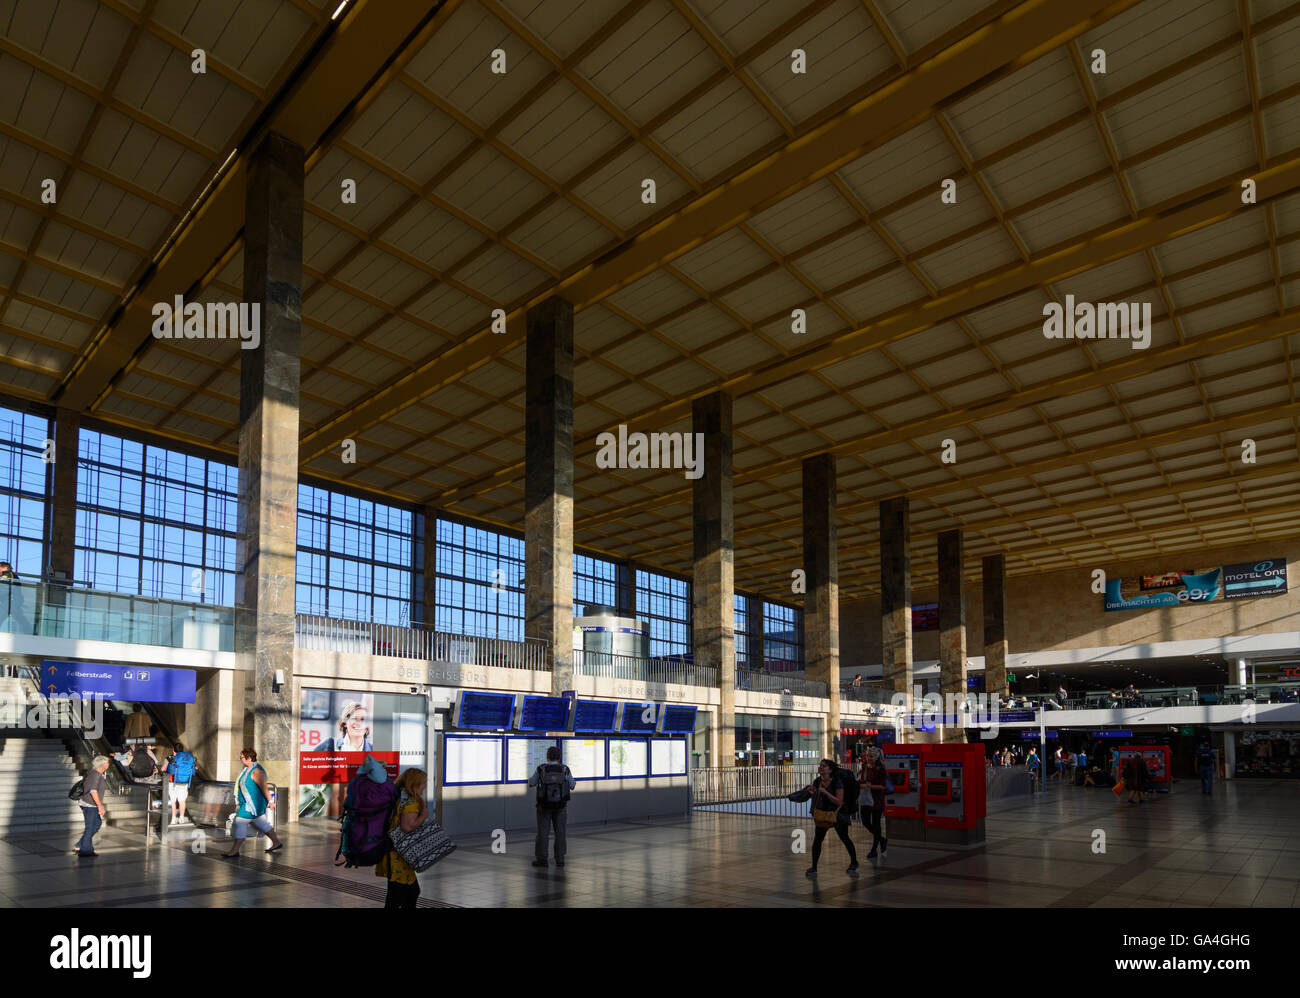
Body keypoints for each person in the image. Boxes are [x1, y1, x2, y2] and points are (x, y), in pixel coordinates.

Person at [376, 768, 428, 908]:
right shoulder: (411, 801)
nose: (425, 786)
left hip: (392, 852)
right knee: (404, 894)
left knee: (401, 893)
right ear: (415, 783)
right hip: (399, 855)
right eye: (423, 783)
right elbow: (407, 827)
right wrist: (423, 816)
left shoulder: (397, 797)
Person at [220, 748, 283, 857]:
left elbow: (264, 788)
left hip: (253, 805)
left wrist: (271, 801)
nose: (240, 759)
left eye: (242, 757)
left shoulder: (257, 771)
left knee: (240, 822)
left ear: (249, 758)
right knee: (261, 823)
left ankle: (235, 850)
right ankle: (276, 842)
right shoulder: (247, 770)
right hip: (247, 804)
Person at [804, 758, 857, 876]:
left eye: (824, 766)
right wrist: (813, 792)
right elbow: (816, 796)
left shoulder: (837, 782)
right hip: (823, 814)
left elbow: (839, 801)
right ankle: (814, 867)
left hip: (838, 814)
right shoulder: (817, 781)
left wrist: (825, 792)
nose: (821, 768)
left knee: (844, 838)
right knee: (818, 840)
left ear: (830, 770)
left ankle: (854, 862)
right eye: (820, 766)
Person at [528, 745, 575, 868]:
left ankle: (542, 859)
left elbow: (532, 783)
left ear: (547, 757)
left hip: (544, 806)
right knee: (560, 832)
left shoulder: (541, 768)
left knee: (543, 833)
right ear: (559, 757)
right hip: (561, 806)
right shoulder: (565, 769)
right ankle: (560, 859)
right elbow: (572, 785)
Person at [76, 755, 110, 857]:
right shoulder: (96, 775)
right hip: (90, 804)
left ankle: (80, 844)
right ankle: (86, 851)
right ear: (103, 765)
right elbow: (93, 791)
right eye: (107, 763)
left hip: (89, 804)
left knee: (97, 824)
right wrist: (100, 806)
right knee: (90, 827)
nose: (108, 764)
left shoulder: (94, 773)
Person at [859, 746, 888, 858]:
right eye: (867, 756)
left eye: (871, 756)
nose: (869, 758)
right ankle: (882, 839)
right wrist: (861, 783)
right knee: (865, 821)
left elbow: (882, 786)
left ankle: (874, 849)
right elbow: (862, 779)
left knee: (876, 824)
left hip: (876, 799)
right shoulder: (865, 766)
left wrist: (870, 786)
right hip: (866, 797)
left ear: (877, 757)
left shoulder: (880, 768)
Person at [164, 741, 196, 823]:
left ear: (173, 750)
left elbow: (163, 769)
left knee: (173, 801)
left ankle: (173, 819)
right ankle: (181, 818)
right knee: (182, 801)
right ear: (182, 750)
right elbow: (195, 768)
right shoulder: (188, 758)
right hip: (185, 782)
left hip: (173, 782)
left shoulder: (170, 758)